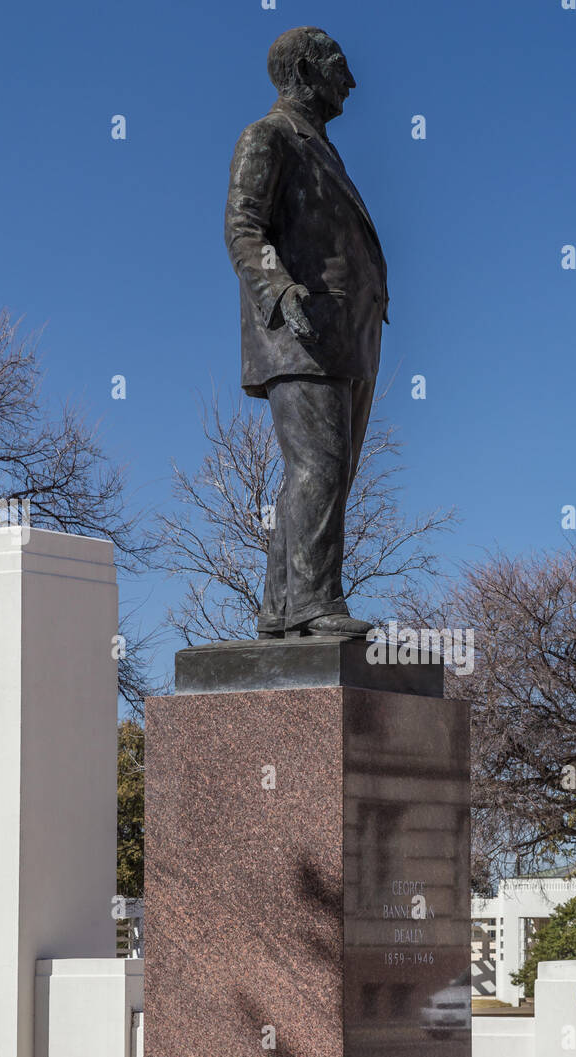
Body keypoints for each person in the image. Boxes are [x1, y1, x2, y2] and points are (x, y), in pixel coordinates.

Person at [224, 27, 389, 638]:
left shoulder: (321, 148)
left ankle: (280, 608)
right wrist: (280, 288)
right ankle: (316, 604)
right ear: (304, 70)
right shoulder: (267, 137)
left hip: (348, 338)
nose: (351, 81)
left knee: (326, 475)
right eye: (339, 66)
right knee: (318, 469)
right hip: (300, 332)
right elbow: (243, 227)